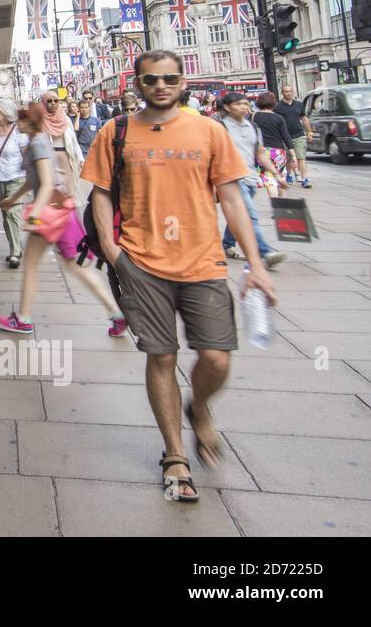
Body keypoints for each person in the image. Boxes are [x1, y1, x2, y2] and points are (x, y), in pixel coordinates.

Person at [83, 51, 276, 504]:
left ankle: (200, 405)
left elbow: (231, 198)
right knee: (161, 356)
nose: (161, 86)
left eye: (169, 78)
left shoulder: (209, 130)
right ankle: (174, 455)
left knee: (217, 358)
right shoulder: (116, 132)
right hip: (141, 262)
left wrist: (256, 264)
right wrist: (114, 254)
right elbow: (101, 193)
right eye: (151, 79)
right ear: (138, 84)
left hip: (203, 262)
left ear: (182, 81)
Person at [0, 104, 127, 337]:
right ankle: (117, 315)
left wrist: (35, 213)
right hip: (60, 209)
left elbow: (45, 182)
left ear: (29, 122)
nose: (19, 125)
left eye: (22, 121)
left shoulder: (36, 143)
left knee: (33, 265)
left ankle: (23, 318)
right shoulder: (40, 140)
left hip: (49, 213)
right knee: (77, 267)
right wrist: (13, 199)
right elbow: (35, 179)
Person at [216, 92, 286, 267]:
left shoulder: (253, 127)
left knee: (238, 213)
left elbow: (260, 154)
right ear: (227, 107)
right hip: (232, 178)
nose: (244, 107)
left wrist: (276, 174)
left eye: (246, 104)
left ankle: (228, 243)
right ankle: (265, 252)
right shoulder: (220, 127)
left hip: (250, 177)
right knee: (250, 215)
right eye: (239, 104)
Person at [0, 98, 29, 268]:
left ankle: (15, 252)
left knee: (12, 213)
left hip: (17, 177)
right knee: (5, 214)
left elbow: (26, 155)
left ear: (6, 112)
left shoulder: (19, 130)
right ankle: (15, 246)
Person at [39, 91, 84, 201]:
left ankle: (68, 215)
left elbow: (74, 141)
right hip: (48, 159)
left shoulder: (66, 119)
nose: (53, 103)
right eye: (49, 101)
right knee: (52, 192)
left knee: (68, 191)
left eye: (56, 101)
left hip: (65, 157)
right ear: (44, 102)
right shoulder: (40, 121)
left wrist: (80, 158)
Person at [251, 92, 292, 199]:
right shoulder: (279, 118)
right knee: (280, 176)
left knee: (269, 179)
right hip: (279, 151)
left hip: (263, 151)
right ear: (274, 103)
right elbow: (286, 136)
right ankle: (283, 202)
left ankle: (276, 204)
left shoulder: (253, 116)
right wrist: (293, 153)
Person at [275, 85, 312, 188]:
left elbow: (304, 118)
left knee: (301, 157)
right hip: (285, 136)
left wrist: (309, 132)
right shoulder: (278, 106)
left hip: (299, 134)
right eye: (286, 92)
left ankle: (304, 179)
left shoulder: (299, 105)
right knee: (288, 158)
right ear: (282, 92)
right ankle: (289, 175)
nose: (289, 93)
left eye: (290, 91)